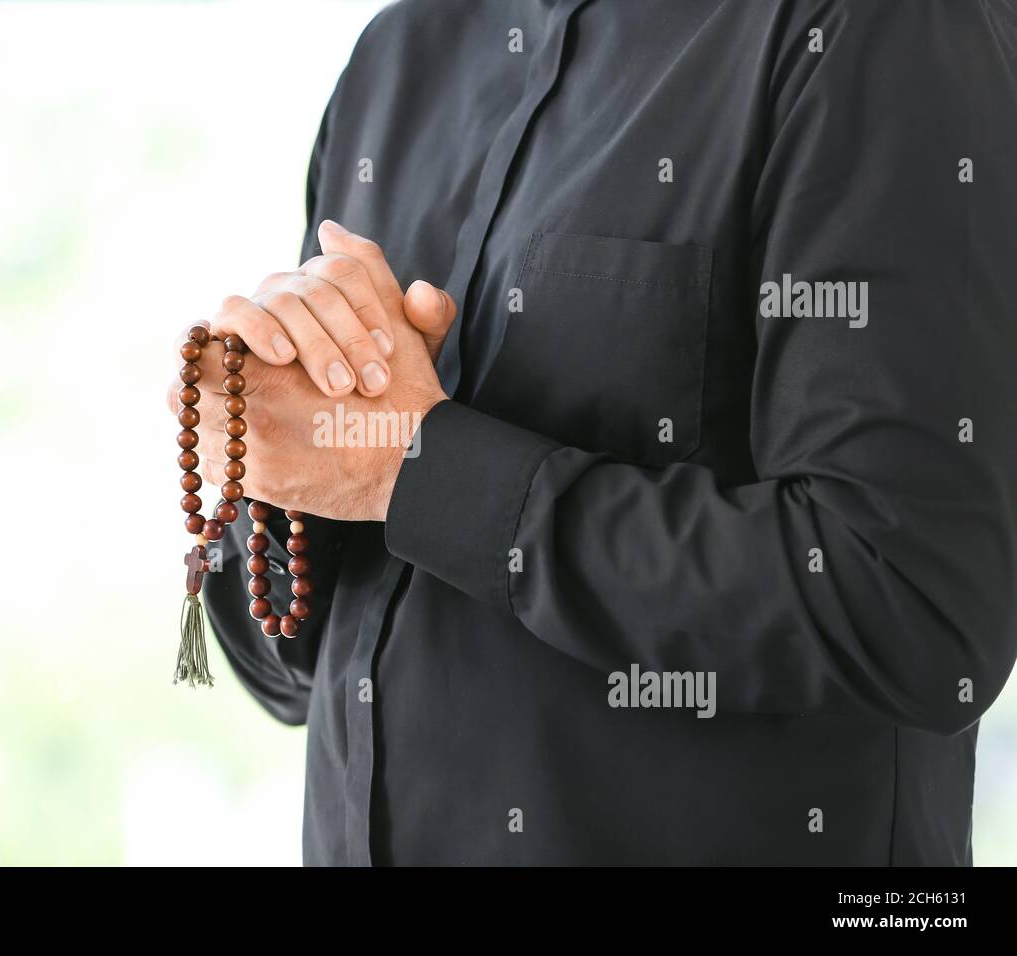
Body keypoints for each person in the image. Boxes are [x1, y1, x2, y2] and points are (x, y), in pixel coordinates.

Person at [172, 0, 1017, 865]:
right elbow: (298, 677)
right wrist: (286, 451)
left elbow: (914, 606)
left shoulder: (885, 27)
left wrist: (419, 471)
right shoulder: (398, 55)